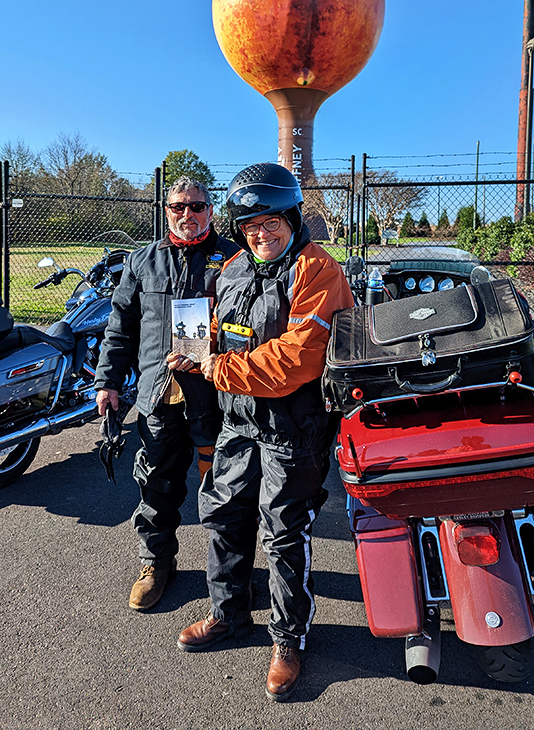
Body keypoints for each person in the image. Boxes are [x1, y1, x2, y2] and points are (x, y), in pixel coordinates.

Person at [175, 163, 354, 702]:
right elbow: (211, 330)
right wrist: (190, 351)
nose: (261, 232)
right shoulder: (231, 267)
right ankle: (229, 615)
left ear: (292, 218)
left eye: (271, 220)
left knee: (283, 535)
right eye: (250, 223)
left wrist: (215, 369)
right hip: (237, 423)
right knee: (224, 519)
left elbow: (296, 360)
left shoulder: (318, 271)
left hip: (293, 430)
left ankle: (288, 639)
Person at [94, 176, 238, 611]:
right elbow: (120, 328)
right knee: (156, 480)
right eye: (178, 207)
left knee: (225, 485)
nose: (187, 214)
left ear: (210, 211)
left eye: (196, 206)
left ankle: (231, 571)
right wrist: (109, 382)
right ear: (166, 210)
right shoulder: (142, 262)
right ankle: (156, 561)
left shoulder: (234, 258)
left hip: (214, 392)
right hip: (159, 394)